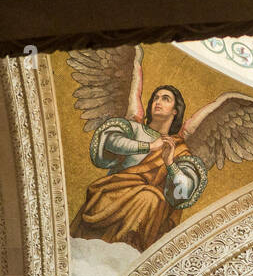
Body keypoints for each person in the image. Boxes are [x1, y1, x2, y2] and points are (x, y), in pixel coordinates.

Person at [70, 86, 207, 253]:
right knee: (149, 197)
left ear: (175, 111)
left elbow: (185, 191)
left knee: (150, 197)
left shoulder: (178, 149)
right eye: (155, 97)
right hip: (112, 193)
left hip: (148, 208)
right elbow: (111, 141)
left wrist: (170, 163)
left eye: (165, 99)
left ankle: (128, 249)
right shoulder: (135, 128)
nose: (158, 102)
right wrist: (149, 146)